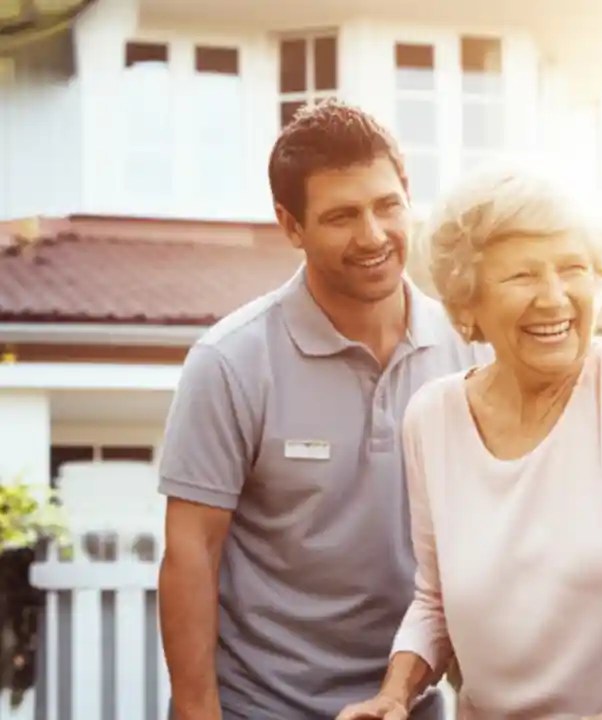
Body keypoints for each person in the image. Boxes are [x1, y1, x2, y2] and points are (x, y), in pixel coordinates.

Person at [337, 167, 602, 720]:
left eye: (572, 269)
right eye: (522, 276)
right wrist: (394, 694)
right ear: (468, 305)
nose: (554, 299)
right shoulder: (433, 417)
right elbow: (434, 601)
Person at [156, 99, 490, 719]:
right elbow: (190, 553)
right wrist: (196, 711)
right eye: (341, 216)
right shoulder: (231, 362)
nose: (372, 235)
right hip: (262, 705)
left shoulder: (468, 345)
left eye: (387, 205)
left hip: (409, 703)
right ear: (291, 225)